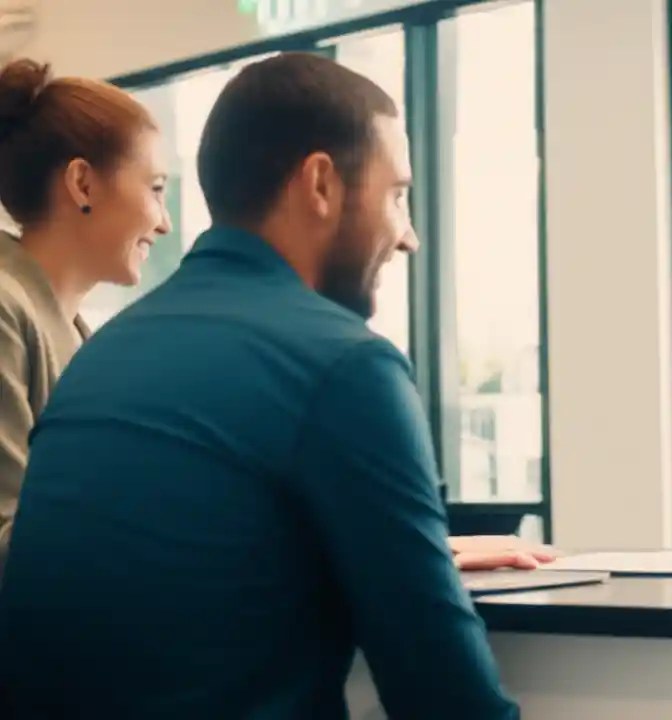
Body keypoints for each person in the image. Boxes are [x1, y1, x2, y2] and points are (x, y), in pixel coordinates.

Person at [1, 54, 526, 718]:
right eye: (396, 195)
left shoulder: (101, 357)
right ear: (321, 184)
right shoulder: (345, 365)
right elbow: (447, 697)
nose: (409, 236)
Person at [0, 58, 172, 561]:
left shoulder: (73, 331)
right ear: (83, 184)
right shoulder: (7, 312)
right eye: (156, 189)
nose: (164, 223)